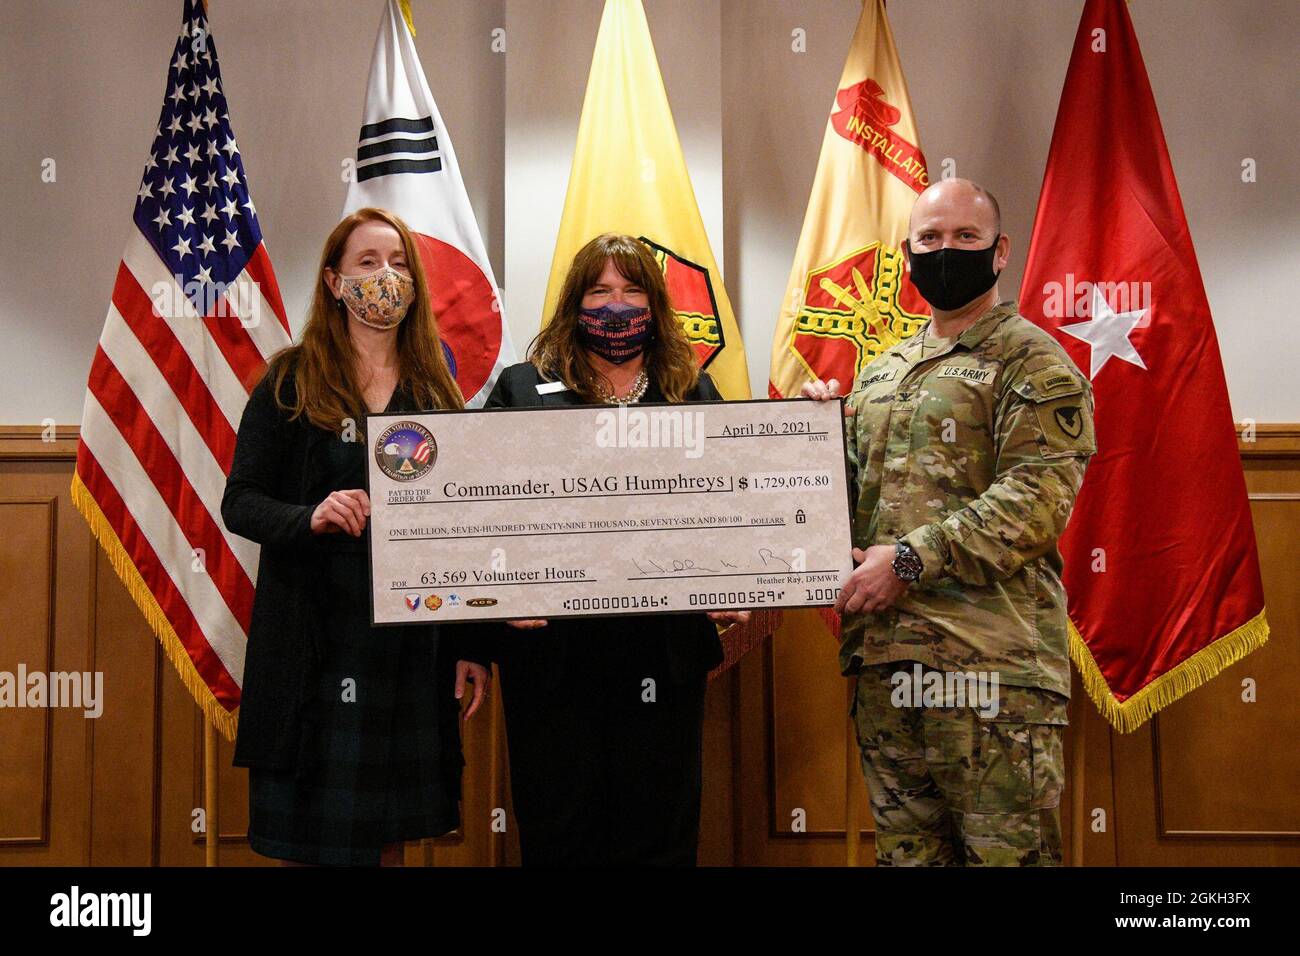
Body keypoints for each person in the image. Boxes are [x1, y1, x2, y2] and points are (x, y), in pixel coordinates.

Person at [803, 179, 1096, 865]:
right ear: (908, 254)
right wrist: (809, 441)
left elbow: (1035, 500)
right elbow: (848, 505)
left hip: (991, 669)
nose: (946, 251)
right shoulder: (881, 375)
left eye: (965, 238)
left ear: (1000, 251)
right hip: (886, 664)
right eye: (929, 239)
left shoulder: (1034, 361)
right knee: (910, 862)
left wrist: (908, 559)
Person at [221, 207, 490, 866]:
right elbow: (241, 503)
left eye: (398, 264)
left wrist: (468, 645)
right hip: (313, 645)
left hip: (407, 651)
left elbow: (461, 538)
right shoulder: (290, 380)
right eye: (368, 263)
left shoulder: (436, 392)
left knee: (386, 838)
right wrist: (307, 516)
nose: (386, 276)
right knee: (307, 839)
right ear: (334, 282)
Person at [480, 233, 748, 866]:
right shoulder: (521, 389)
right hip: (553, 661)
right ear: (575, 305)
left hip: (661, 651)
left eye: (631, 290)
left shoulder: (692, 391)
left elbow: (729, 505)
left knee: (659, 831)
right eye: (599, 290)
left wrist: (739, 577)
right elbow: (480, 512)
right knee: (560, 832)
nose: (616, 304)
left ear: (655, 306)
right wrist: (494, 598)